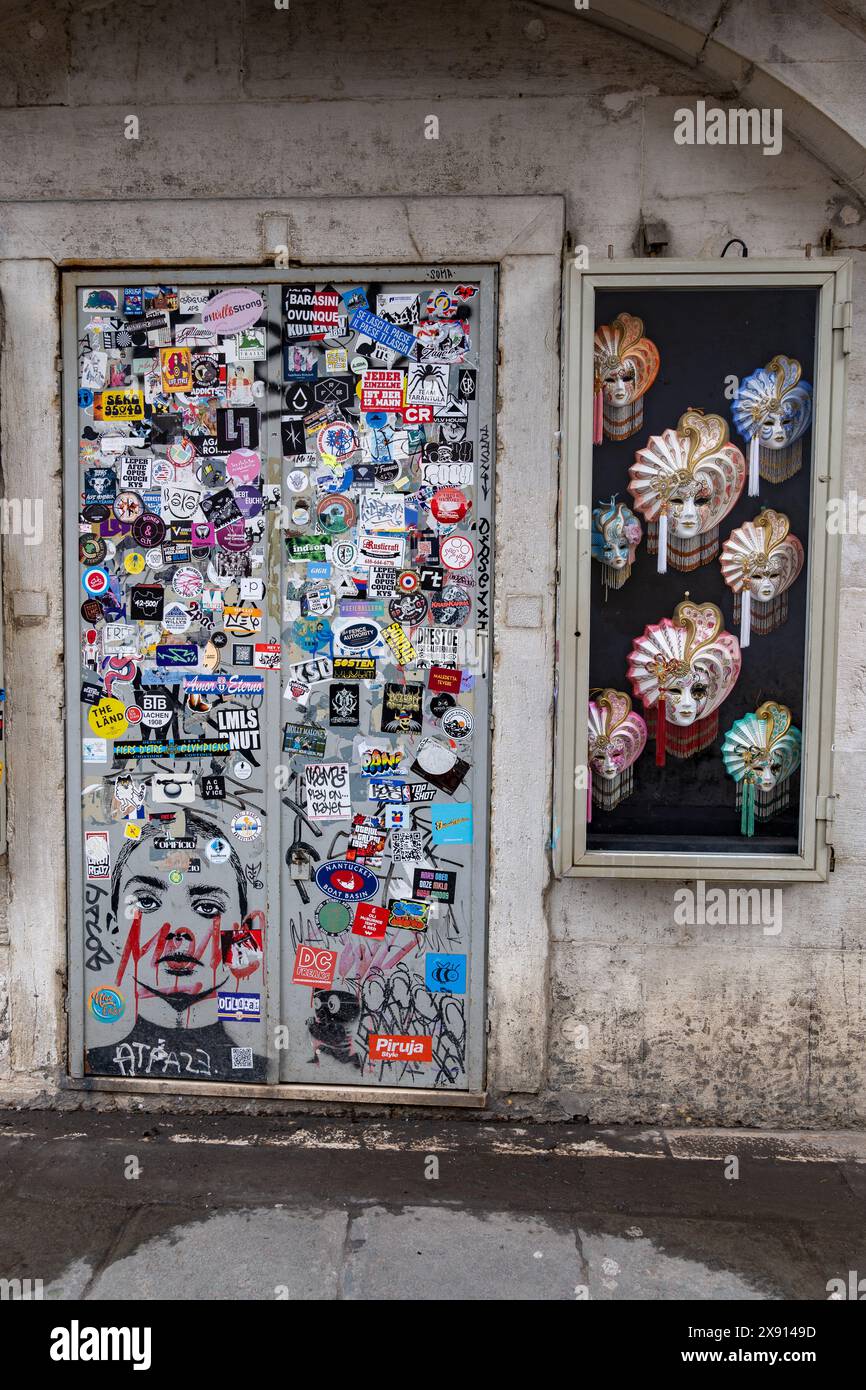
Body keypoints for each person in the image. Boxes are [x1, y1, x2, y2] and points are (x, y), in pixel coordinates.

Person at [85, 809, 267, 1080]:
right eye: (146, 902)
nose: (178, 930)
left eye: (207, 907)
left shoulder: (258, 1069)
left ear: (242, 933)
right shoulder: (94, 1063)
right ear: (114, 929)